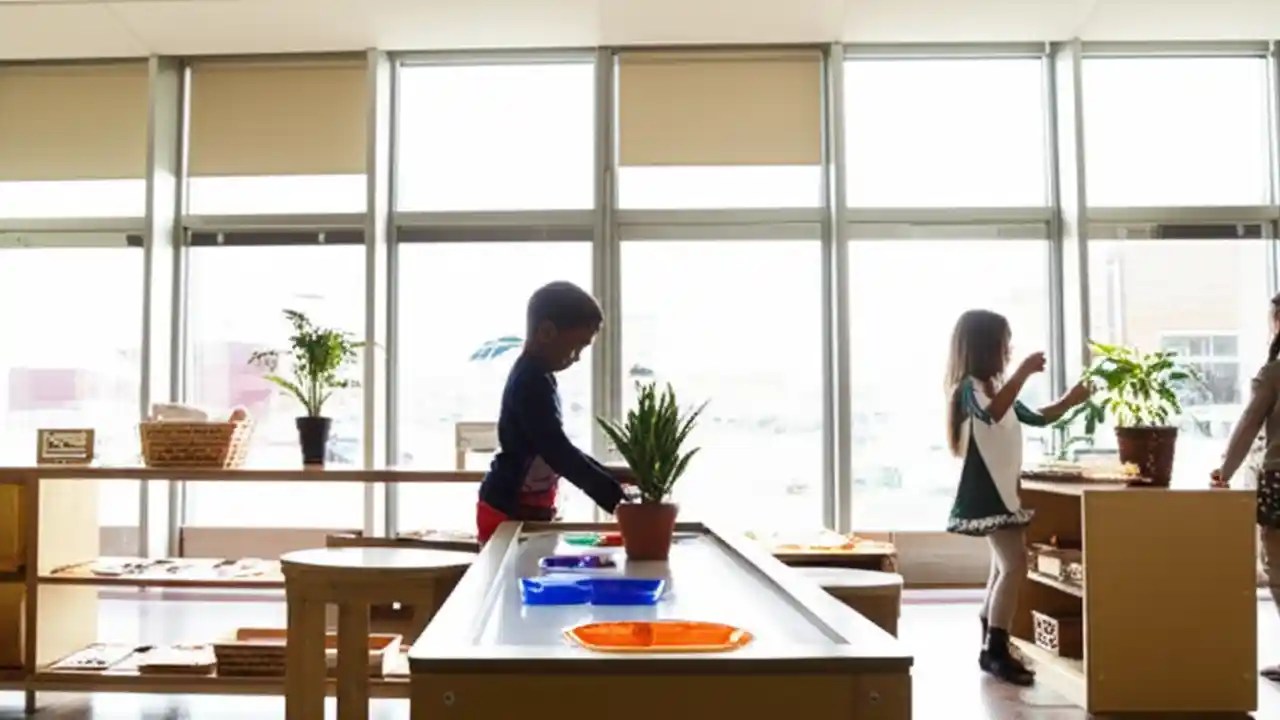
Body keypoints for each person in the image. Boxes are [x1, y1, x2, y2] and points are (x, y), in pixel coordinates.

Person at [944, 309, 1090, 686]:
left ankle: (992, 638)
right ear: (986, 346)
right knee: (1014, 566)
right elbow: (992, 415)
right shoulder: (969, 390)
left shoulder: (995, 387)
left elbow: (1038, 416)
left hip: (1002, 492)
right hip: (987, 492)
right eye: (1004, 343)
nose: (1009, 350)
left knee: (1002, 567)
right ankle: (995, 648)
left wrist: (1071, 399)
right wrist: (1023, 372)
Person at [476, 281, 627, 544]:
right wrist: (614, 497)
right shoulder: (531, 381)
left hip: (524, 508)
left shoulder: (540, 377)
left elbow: (557, 446)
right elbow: (556, 450)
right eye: (578, 345)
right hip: (508, 508)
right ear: (546, 332)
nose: (577, 357)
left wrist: (613, 479)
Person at [1211, 292, 1280, 682]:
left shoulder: (1274, 374)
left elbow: (1248, 425)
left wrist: (1223, 471)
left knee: (1278, 567)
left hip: (1279, 480)